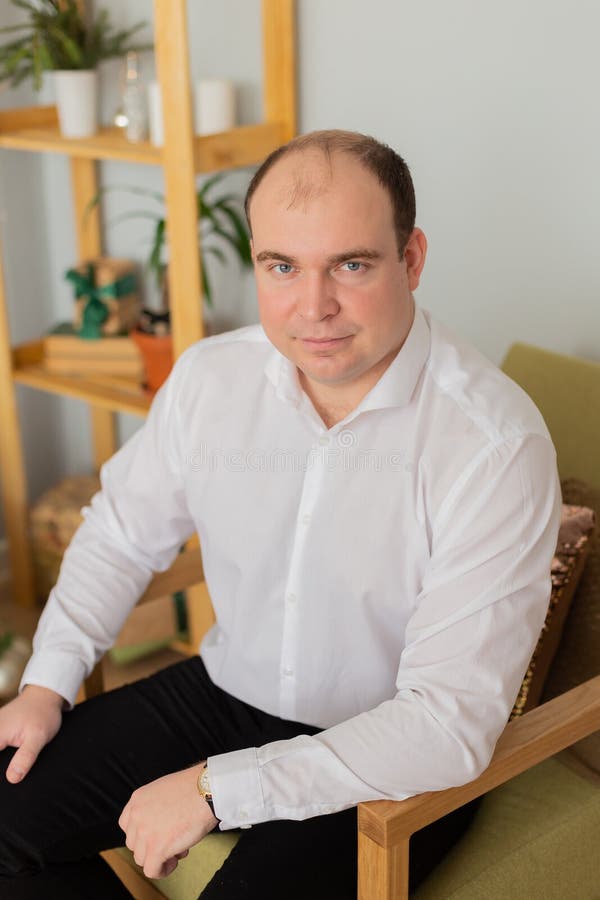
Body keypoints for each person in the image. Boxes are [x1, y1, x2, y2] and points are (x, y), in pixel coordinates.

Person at [0, 130, 561, 899]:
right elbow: (121, 534)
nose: (314, 307)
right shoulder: (211, 379)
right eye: (283, 266)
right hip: (228, 690)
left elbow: (445, 724)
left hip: (389, 750)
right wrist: (47, 681)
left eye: (351, 265)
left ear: (412, 259)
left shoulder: (494, 446)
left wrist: (214, 790)